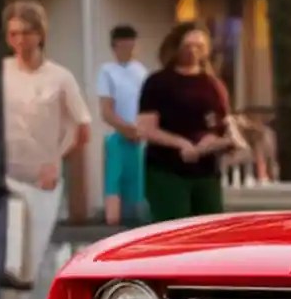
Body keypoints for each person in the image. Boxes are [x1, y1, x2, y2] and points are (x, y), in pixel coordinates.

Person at [0, 0, 92, 299]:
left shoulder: (59, 77)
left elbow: (81, 128)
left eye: (26, 32)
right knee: (4, 257)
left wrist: (56, 160)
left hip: (41, 181)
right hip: (3, 176)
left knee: (27, 260)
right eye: (13, 34)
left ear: (41, 35)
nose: (20, 40)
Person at [136, 21, 237, 222]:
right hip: (167, 172)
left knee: (209, 231)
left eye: (199, 46)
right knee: (174, 229)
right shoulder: (157, 82)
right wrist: (181, 144)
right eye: (187, 45)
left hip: (207, 172)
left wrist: (212, 142)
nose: (193, 51)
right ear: (176, 47)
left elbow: (226, 126)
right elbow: (146, 129)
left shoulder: (213, 85)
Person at [97, 24, 149, 226]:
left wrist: (139, 130)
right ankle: (112, 226)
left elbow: (148, 108)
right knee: (114, 183)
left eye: (131, 43)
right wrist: (126, 129)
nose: (128, 47)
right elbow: (106, 110)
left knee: (138, 186)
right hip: (116, 136)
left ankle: (138, 227)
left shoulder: (142, 72)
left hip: (140, 138)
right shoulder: (107, 71)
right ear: (115, 46)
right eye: (123, 43)